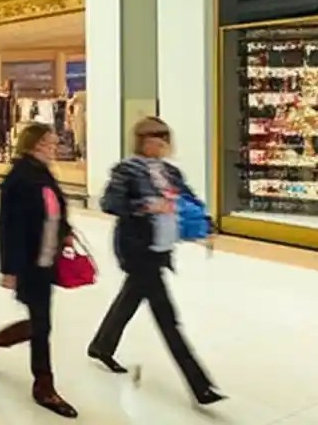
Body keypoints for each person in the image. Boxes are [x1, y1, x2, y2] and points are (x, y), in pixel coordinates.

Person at [87, 116, 225, 406]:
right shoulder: (127, 169)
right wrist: (145, 205)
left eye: (162, 137)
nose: (158, 142)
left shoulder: (170, 172)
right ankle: (199, 385)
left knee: (130, 298)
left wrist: (204, 223)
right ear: (141, 140)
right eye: (152, 137)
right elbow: (109, 203)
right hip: (138, 250)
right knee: (167, 318)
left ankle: (101, 345)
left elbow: (189, 201)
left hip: (161, 249)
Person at [0, 123, 78, 419]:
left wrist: (65, 232)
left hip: (47, 258)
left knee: (39, 323)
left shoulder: (44, 172)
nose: (54, 147)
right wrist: (9, 268)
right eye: (50, 143)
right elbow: (8, 226)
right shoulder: (19, 178)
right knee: (42, 325)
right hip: (29, 262)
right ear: (35, 144)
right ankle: (44, 386)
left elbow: (55, 208)